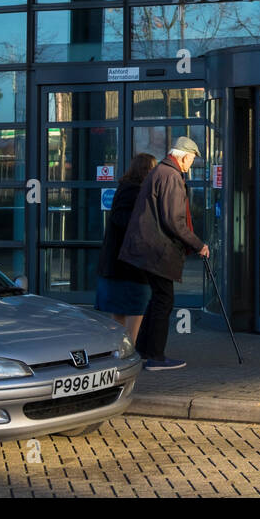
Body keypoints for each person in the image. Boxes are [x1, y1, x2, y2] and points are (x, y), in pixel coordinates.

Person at [118, 135, 209, 371]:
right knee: (164, 300)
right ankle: (156, 357)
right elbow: (174, 221)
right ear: (184, 156)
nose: (191, 165)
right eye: (191, 160)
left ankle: (144, 351)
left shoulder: (160, 171)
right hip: (156, 250)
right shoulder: (171, 176)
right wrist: (199, 244)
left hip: (146, 249)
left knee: (158, 298)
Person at [94, 152, 156, 342]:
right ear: (147, 170)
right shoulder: (134, 191)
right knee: (135, 309)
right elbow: (125, 220)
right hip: (129, 265)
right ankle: (128, 349)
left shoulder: (125, 188)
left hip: (118, 265)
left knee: (120, 311)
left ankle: (120, 347)